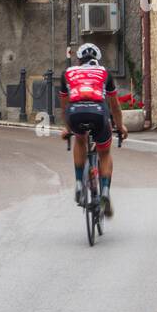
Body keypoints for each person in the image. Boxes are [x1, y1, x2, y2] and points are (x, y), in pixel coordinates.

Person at [60, 43, 127, 215]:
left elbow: (64, 105)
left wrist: (67, 128)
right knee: (104, 153)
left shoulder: (68, 73)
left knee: (79, 139)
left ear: (79, 60)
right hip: (98, 113)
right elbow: (115, 107)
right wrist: (120, 127)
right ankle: (105, 191)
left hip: (75, 113)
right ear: (97, 60)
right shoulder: (105, 73)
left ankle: (78, 183)